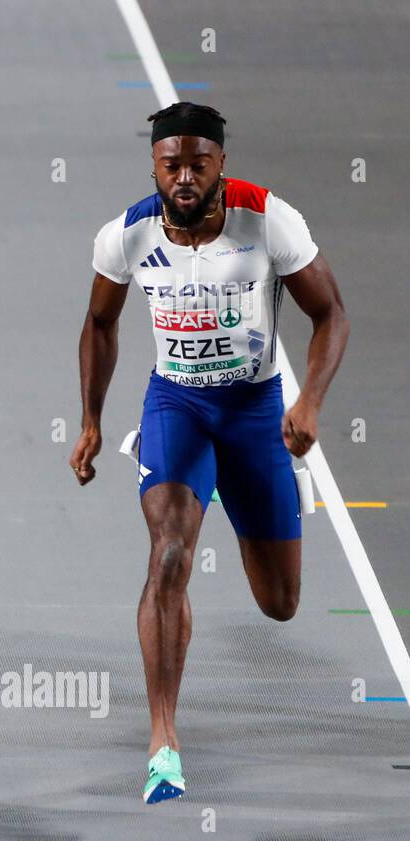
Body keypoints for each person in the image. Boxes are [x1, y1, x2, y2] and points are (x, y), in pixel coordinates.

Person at [70, 102, 349, 802]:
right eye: (172, 166)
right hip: (179, 407)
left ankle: (249, 484)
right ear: (155, 167)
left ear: (221, 164)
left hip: (256, 413)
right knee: (169, 554)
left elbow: (330, 314)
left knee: (280, 604)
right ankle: (164, 738)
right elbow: (100, 323)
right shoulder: (127, 235)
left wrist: (307, 402)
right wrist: (92, 421)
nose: (185, 178)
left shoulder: (269, 220)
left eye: (199, 164)